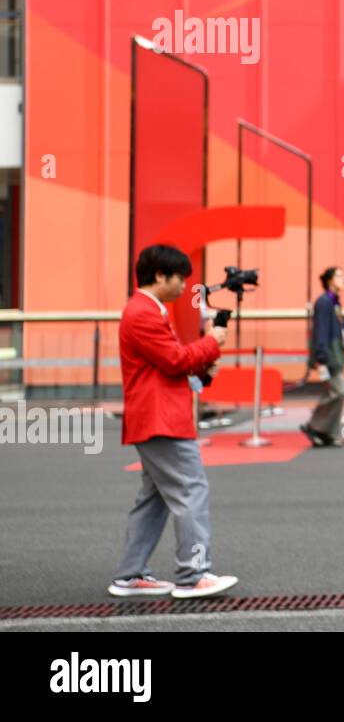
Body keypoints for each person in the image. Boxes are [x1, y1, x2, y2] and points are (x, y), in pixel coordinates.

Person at [109, 245, 239, 598]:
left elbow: (171, 362)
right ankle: (193, 573)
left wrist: (202, 357)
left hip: (154, 417)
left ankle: (131, 573)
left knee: (154, 499)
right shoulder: (143, 313)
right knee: (189, 491)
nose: (185, 285)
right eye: (180, 277)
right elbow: (175, 360)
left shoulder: (145, 310)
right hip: (161, 419)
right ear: (160, 276)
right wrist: (211, 342)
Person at [302, 266, 344, 447]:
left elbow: (340, 331)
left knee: (334, 392)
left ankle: (326, 432)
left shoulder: (334, 303)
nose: (343, 279)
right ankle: (315, 425)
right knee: (340, 391)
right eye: (339, 275)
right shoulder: (324, 302)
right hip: (329, 355)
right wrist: (321, 357)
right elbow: (321, 331)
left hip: (335, 354)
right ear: (330, 280)